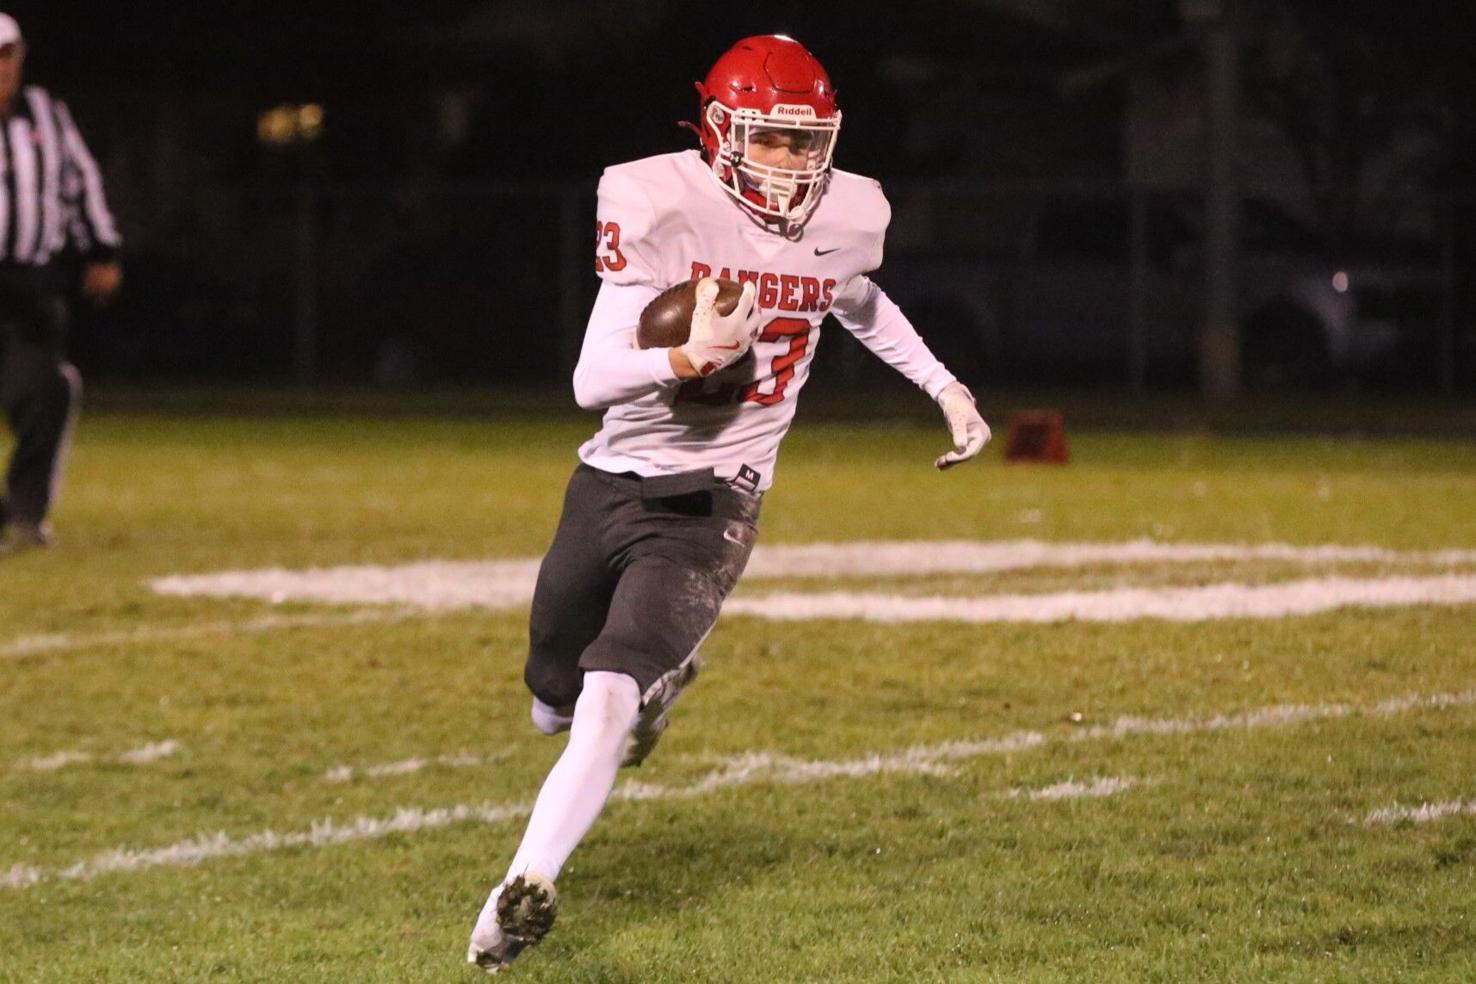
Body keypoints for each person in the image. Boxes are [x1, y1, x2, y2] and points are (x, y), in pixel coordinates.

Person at [467, 34, 990, 973]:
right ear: (717, 132)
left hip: (716, 501)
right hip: (609, 481)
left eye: (806, 142)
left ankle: (520, 892)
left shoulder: (849, 212)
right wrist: (681, 360)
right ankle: (656, 693)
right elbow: (592, 377)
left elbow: (856, 298)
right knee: (552, 696)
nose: (792, 165)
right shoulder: (658, 201)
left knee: (605, 695)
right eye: (770, 140)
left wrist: (945, 388)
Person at [0, 12, 122, 554]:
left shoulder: (46, 114)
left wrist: (101, 249)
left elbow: (81, 183)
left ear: (20, 56)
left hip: (30, 281)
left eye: (6, 55)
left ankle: (25, 513)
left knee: (48, 389)